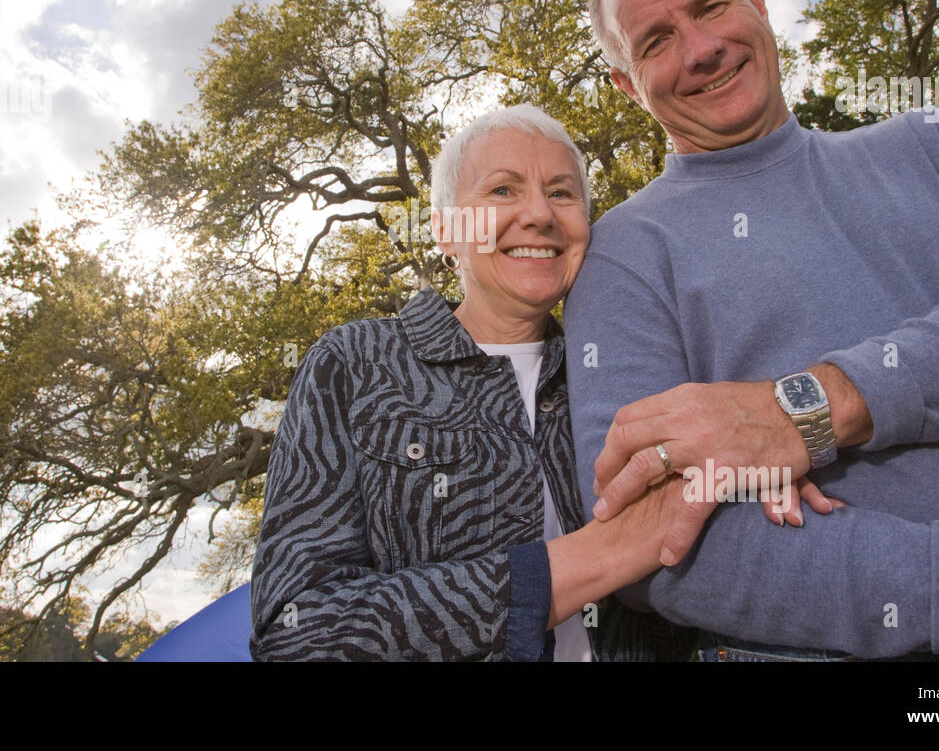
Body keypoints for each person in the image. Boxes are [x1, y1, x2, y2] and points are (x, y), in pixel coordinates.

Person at [564, 0, 939, 661]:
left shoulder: (938, 144)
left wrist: (810, 408)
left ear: (756, 1)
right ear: (626, 84)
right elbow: (649, 530)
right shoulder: (623, 253)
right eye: (655, 41)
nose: (700, 49)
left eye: (711, 7)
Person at [249, 103, 829, 660]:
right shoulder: (353, 364)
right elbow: (296, 627)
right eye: (502, 190)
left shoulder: (633, 361)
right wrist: (598, 555)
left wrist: (754, 471)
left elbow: (720, 476)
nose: (540, 215)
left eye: (561, 192)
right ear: (447, 232)